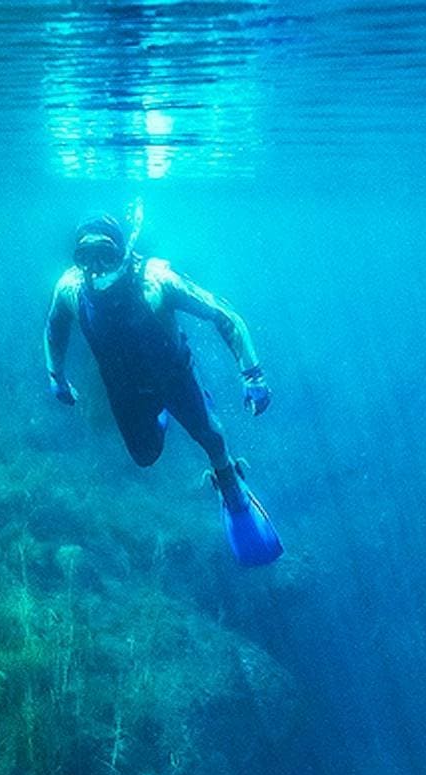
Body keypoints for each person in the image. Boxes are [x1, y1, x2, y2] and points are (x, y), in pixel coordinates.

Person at [43, 213, 282, 565]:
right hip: (125, 389)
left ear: (124, 252)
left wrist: (253, 375)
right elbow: (55, 328)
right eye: (85, 257)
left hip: (176, 379)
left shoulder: (156, 281)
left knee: (211, 439)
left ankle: (231, 487)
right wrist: (56, 376)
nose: (95, 268)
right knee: (145, 456)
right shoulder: (70, 289)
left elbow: (223, 315)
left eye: (105, 255)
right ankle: (161, 415)